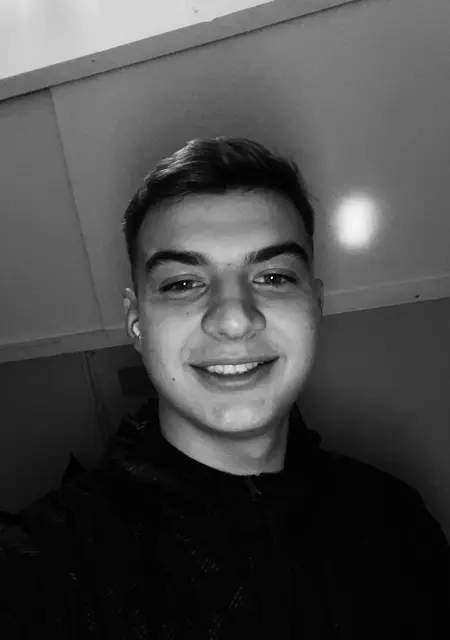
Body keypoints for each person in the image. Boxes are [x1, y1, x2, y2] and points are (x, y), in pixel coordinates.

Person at [0, 137, 449, 639]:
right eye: (182, 283)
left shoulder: (396, 520)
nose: (234, 319)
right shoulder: (44, 568)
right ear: (136, 322)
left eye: (274, 277)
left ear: (315, 304)